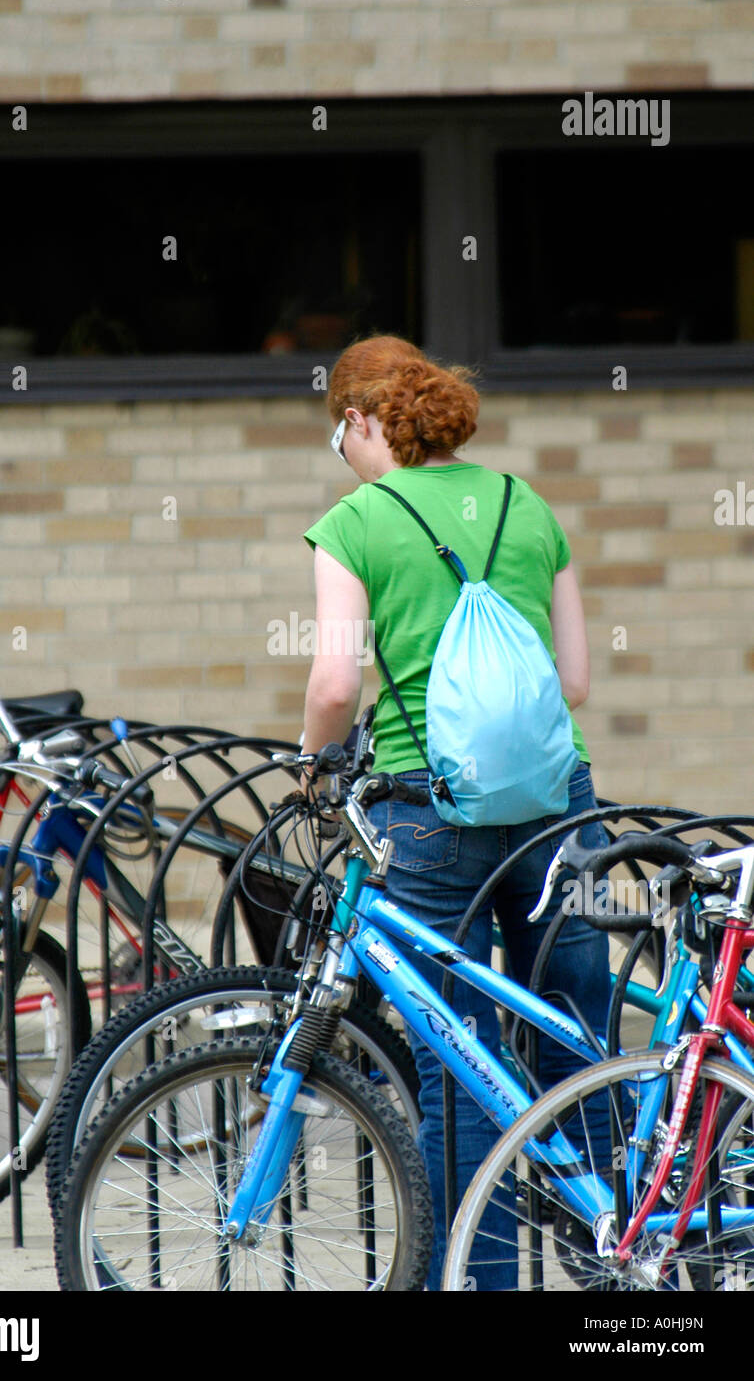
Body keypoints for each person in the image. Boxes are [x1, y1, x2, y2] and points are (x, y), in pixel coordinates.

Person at [300, 334, 612, 1289]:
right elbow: (575, 681)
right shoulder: (529, 506)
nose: (339, 455)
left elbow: (335, 682)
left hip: (427, 814)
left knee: (457, 1063)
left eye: (335, 436)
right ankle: (612, 1267)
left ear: (360, 421)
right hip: (560, 810)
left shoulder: (355, 521)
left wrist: (311, 768)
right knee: (581, 1039)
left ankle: (479, 1285)